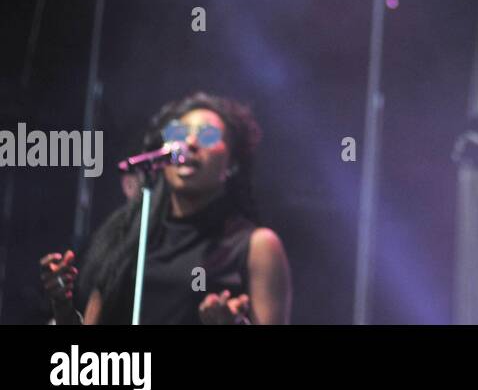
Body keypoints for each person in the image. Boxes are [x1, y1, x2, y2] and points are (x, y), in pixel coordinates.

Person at [38, 91, 292, 324]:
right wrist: (62, 304)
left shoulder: (255, 245)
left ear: (232, 163)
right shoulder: (126, 234)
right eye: (179, 134)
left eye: (207, 135)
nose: (189, 143)